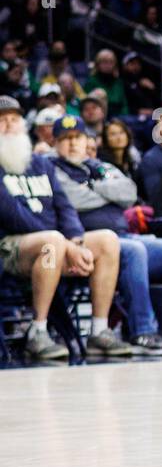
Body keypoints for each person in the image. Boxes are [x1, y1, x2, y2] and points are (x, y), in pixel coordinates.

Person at [50, 115, 162, 355]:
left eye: (77, 138)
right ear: (55, 143)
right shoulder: (52, 168)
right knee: (134, 251)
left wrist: (94, 189)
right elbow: (73, 198)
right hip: (90, 243)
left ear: (87, 140)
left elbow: (128, 192)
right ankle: (143, 332)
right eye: (66, 139)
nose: (73, 144)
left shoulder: (100, 166)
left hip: (126, 236)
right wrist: (106, 193)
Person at [0, 112, 132, 358]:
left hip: (54, 242)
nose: (9, 124)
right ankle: (37, 331)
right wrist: (62, 242)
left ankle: (99, 331)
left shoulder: (40, 163)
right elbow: (11, 215)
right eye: (2, 119)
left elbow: (65, 207)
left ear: (22, 125)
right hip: (11, 245)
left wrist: (76, 241)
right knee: (50, 243)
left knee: (106, 240)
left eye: (13, 119)